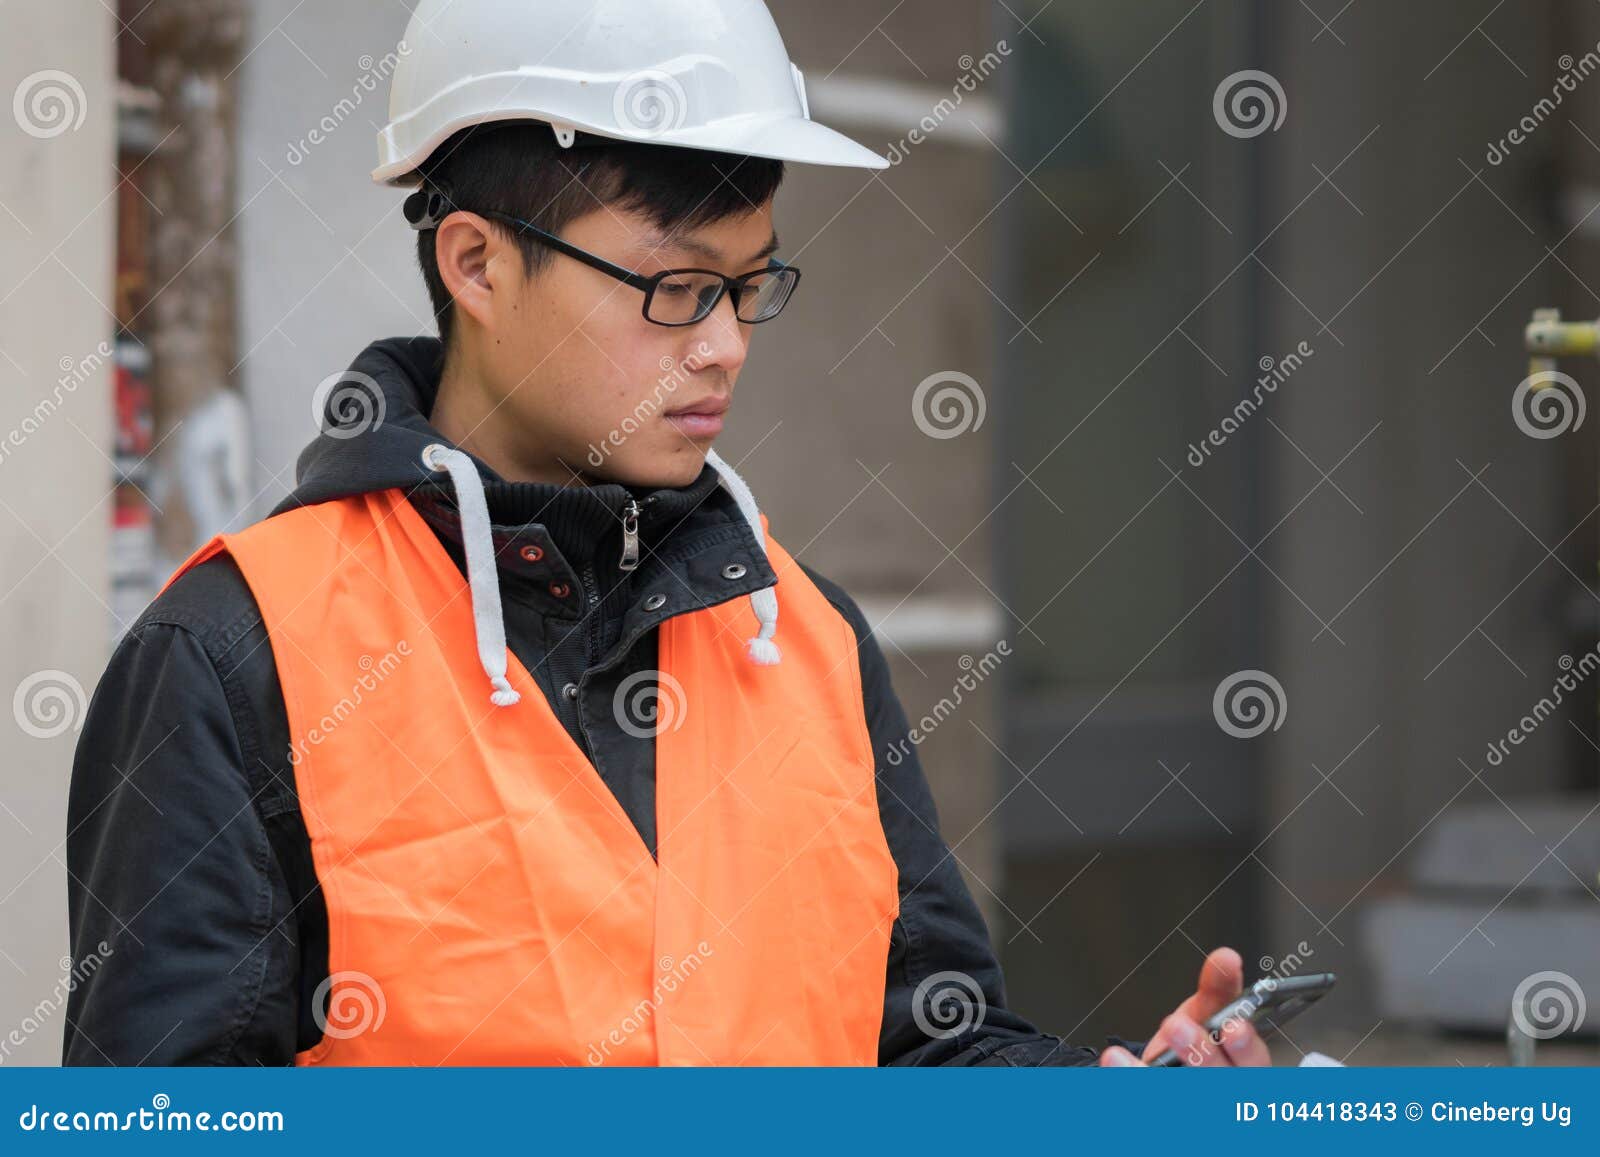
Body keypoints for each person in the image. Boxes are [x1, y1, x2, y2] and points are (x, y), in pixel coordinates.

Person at [63, 0, 1268, 1068]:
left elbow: (925, 1044)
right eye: (677, 287)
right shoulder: (234, 659)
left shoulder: (805, 639)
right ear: (477, 262)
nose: (726, 344)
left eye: (749, 286)